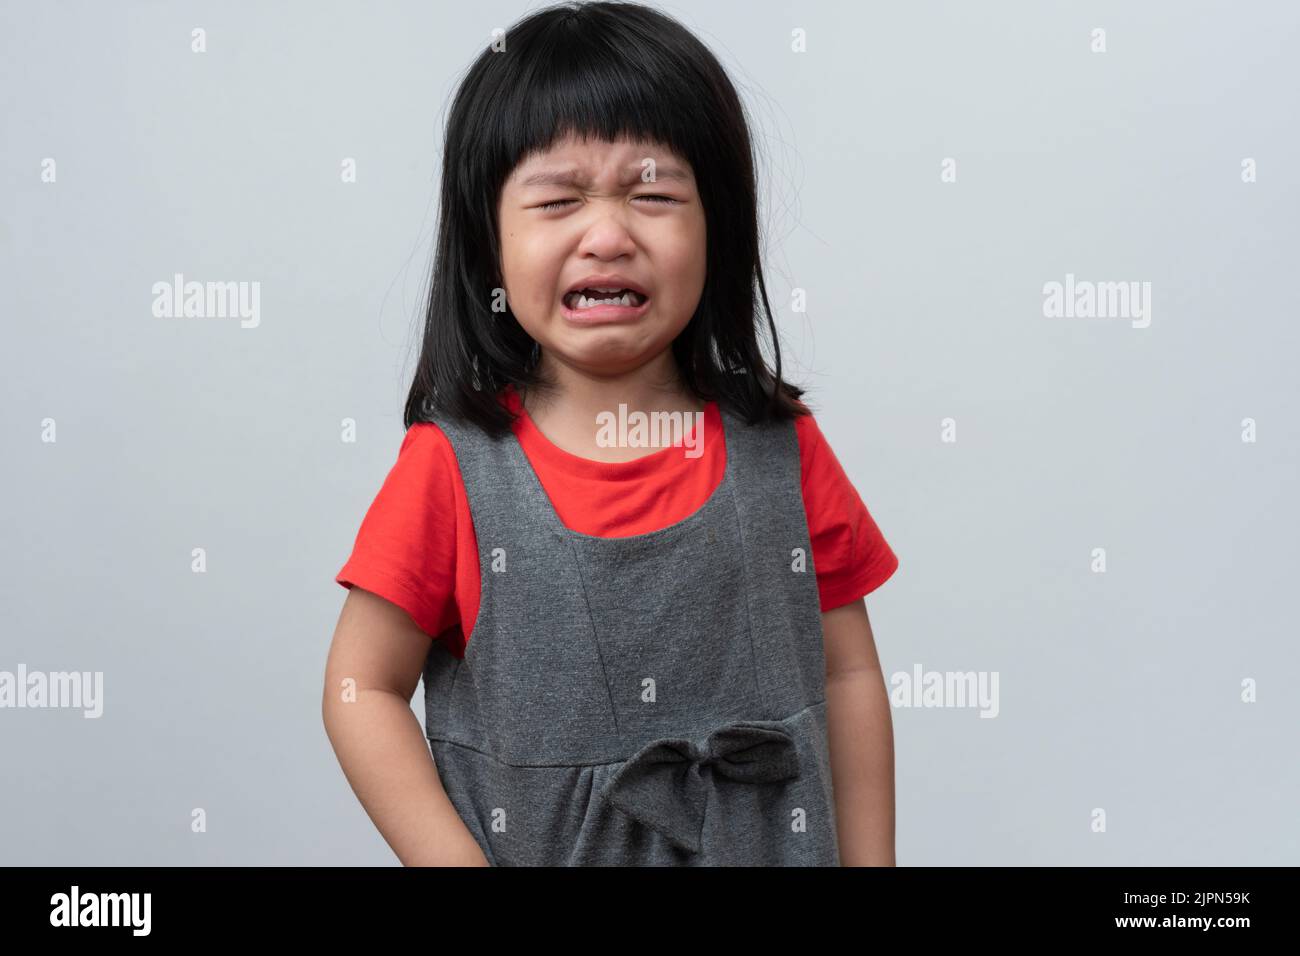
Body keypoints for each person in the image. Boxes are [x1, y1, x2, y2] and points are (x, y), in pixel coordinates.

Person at [322, 0, 899, 866]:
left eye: (653, 194)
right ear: (489, 242)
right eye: (558, 200)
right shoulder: (456, 470)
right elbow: (360, 685)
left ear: (718, 226)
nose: (608, 236)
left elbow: (847, 673)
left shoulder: (781, 448)